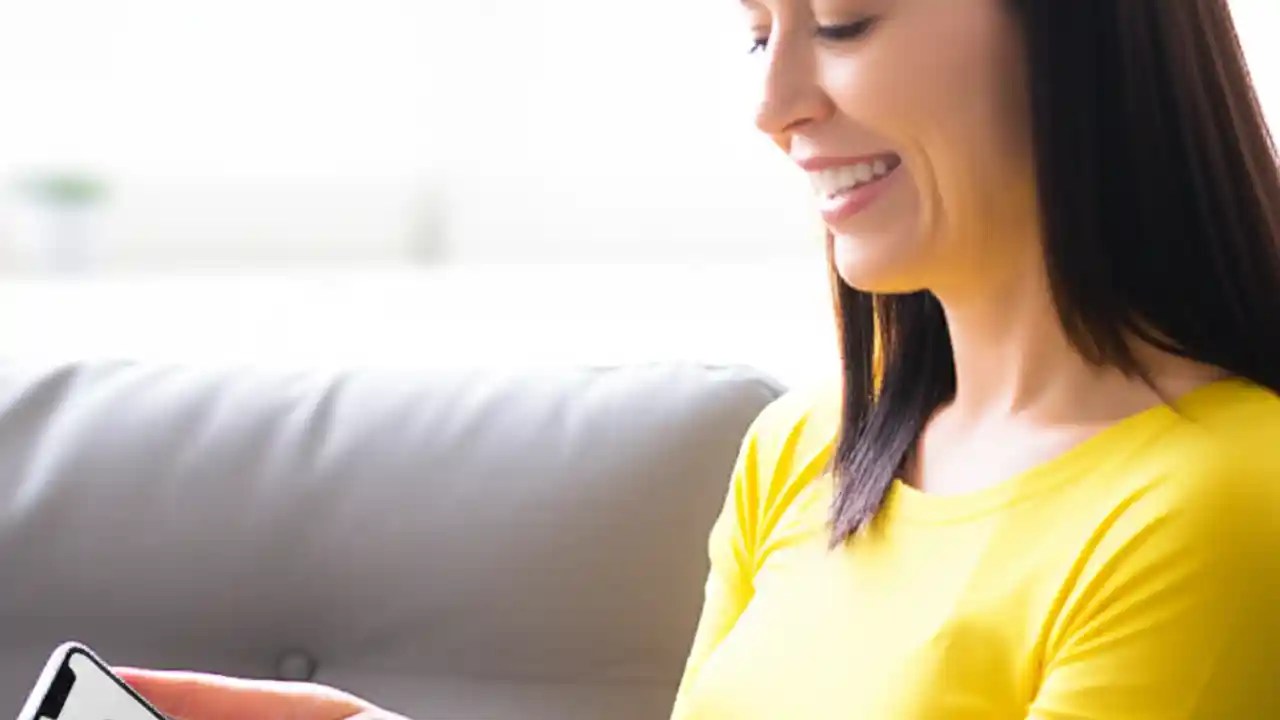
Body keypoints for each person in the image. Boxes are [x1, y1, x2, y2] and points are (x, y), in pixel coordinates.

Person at [121, 0, 1280, 718]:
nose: (772, 105)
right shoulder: (803, 450)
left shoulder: (1224, 505)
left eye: (841, 24)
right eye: (755, 33)